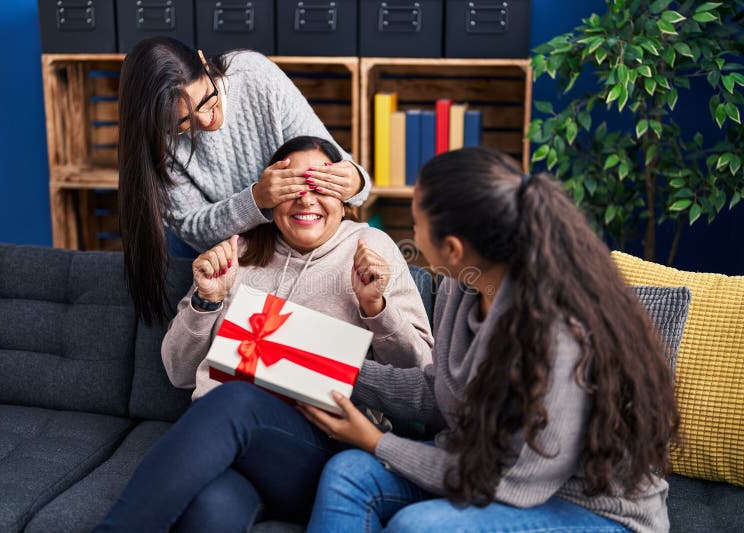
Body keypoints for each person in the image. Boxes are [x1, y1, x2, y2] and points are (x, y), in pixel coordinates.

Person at [300, 146, 679, 533]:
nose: (411, 234)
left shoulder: (559, 331)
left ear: (453, 247)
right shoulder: (460, 286)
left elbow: (515, 481)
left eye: (416, 223)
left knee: (419, 527)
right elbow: (437, 393)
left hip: (590, 508)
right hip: (484, 465)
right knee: (348, 473)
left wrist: (377, 441)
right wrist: (333, 366)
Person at [95, 136, 432, 532]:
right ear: (270, 197)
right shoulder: (240, 249)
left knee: (238, 399)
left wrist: (376, 310)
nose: (306, 200)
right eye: (292, 187)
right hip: (232, 446)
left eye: (321, 187)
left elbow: (421, 378)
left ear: (344, 198)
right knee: (210, 510)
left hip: (321, 446)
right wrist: (207, 302)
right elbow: (178, 372)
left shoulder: (369, 246)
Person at [118, 37, 371, 324]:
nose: (205, 119)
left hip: (281, 240)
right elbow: (192, 226)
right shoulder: (155, 140)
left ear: (203, 62)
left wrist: (355, 181)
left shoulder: (254, 76)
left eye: (207, 100)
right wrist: (256, 200)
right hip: (212, 251)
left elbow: (339, 166)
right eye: (183, 122)